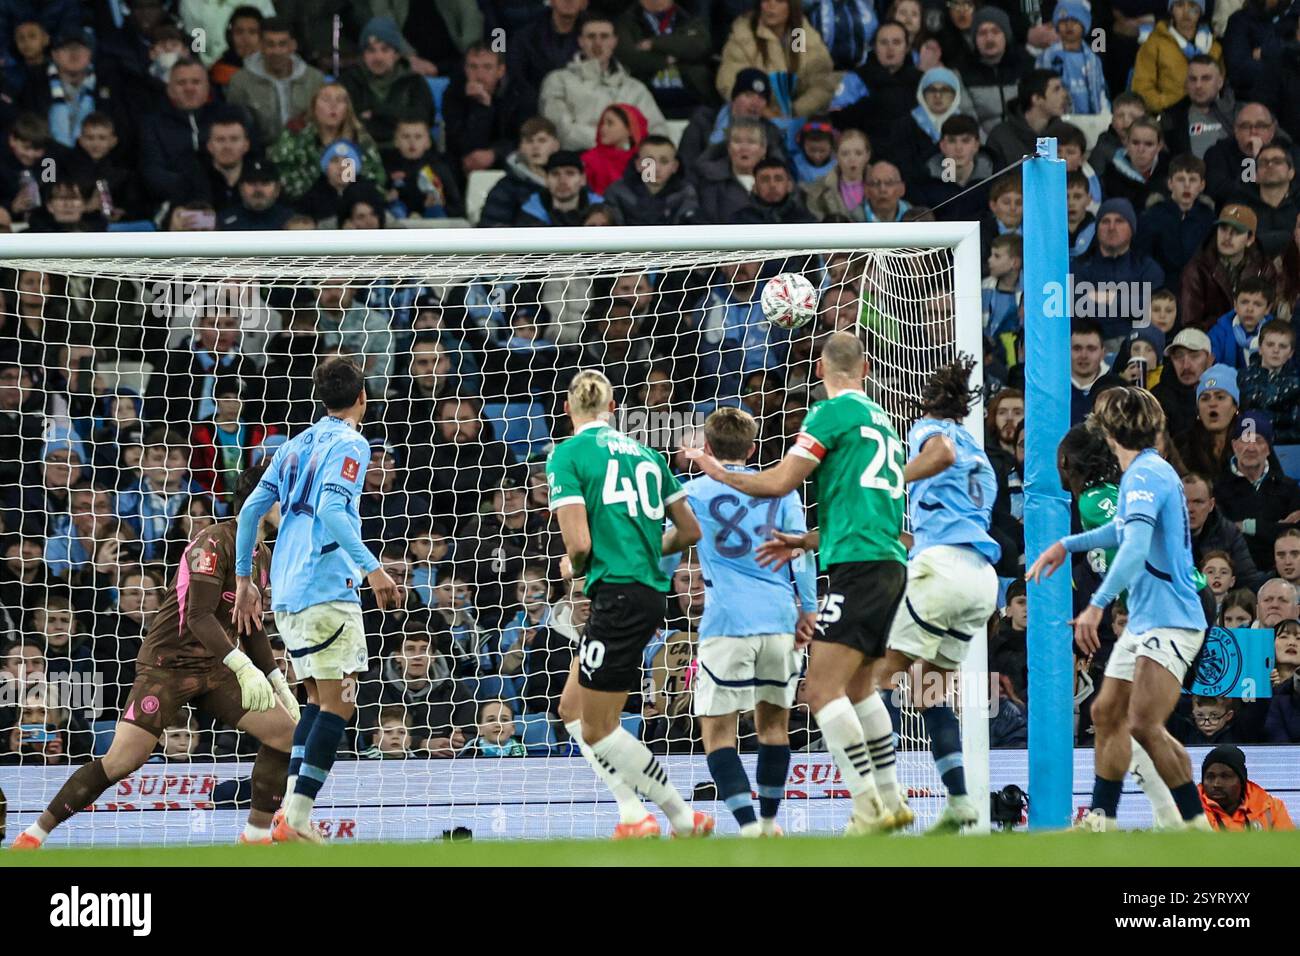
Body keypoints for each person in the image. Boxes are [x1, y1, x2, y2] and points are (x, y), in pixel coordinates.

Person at [688, 332, 912, 834]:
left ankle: (868, 805)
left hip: (847, 569)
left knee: (822, 689)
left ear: (818, 369)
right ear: (868, 366)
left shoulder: (829, 415)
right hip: (884, 564)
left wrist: (713, 472)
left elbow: (777, 482)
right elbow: (872, 512)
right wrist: (806, 544)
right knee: (858, 687)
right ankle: (890, 798)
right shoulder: (885, 423)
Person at [10, 465, 297, 849]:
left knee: (286, 735)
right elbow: (197, 616)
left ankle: (257, 835)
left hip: (217, 668)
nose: (293, 504)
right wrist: (244, 666)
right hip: (167, 668)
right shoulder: (212, 541)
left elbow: (252, 626)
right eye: (285, 495)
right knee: (121, 762)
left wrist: (276, 679)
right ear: (263, 499)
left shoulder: (261, 556)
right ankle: (34, 834)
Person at [232, 357, 403, 843]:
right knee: (341, 704)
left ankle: (291, 812)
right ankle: (299, 817)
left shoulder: (290, 446)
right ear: (363, 397)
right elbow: (331, 506)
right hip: (326, 587)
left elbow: (248, 513)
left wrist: (246, 581)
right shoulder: (352, 442)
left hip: (285, 591)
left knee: (314, 700)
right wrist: (372, 567)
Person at [1028, 387, 1212, 832]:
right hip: (1148, 617)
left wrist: (1095, 605)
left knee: (1145, 723)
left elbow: (1133, 546)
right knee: (1106, 712)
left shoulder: (1146, 474)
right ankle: (1102, 820)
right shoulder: (1140, 473)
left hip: (1172, 617)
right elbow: (1120, 529)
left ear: (1110, 431)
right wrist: (1067, 544)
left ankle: (1196, 827)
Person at [545, 369, 710, 838]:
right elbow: (690, 531)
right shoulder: (649, 455)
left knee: (598, 728)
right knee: (571, 710)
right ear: (613, 410)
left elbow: (578, 544)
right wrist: (639, 550)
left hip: (616, 595)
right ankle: (632, 814)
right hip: (645, 592)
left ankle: (681, 816)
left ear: (567, 408)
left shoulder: (567, 455)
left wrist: (574, 566)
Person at [870, 356, 1000, 832]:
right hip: (981, 577)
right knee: (928, 692)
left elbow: (940, 451)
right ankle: (961, 799)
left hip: (941, 568)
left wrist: (893, 479)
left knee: (881, 679)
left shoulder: (928, 430)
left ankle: (883, 799)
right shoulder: (982, 455)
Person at [679, 406, 816, 836]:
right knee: (774, 726)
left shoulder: (692, 493)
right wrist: (807, 608)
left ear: (706, 448)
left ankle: (746, 825)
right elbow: (802, 553)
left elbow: (671, 548)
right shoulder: (782, 491)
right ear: (753, 447)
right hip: (778, 619)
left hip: (725, 623)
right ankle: (771, 821)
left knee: (718, 732)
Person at [1198, 744, 1296, 829]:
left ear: (1241, 780)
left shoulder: (1272, 808)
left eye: (1225, 776)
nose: (1216, 784)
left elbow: (1288, 848)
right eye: (1210, 777)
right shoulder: (1187, 811)